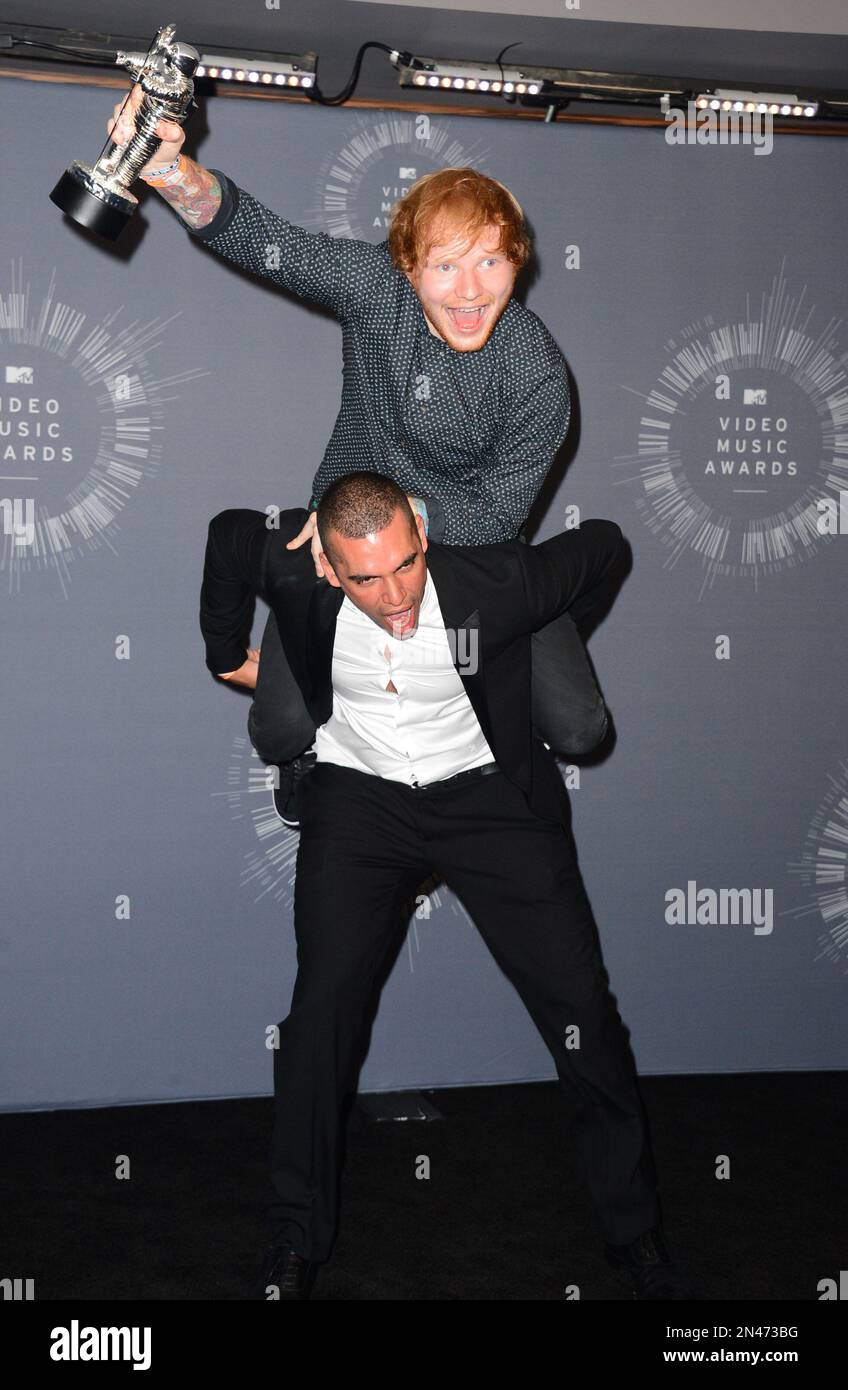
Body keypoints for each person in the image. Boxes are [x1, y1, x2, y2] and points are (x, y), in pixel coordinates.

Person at [199, 470, 694, 1301]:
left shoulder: (498, 586)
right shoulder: (292, 569)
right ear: (326, 562)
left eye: (406, 565)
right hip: (361, 800)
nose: (393, 596)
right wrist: (224, 653)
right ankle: (294, 1238)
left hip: (488, 798)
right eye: (365, 577)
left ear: (422, 537)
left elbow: (606, 544)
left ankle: (633, 1228)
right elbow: (224, 527)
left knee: (583, 1011)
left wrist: (552, 639)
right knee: (318, 1019)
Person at [109, 86, 611, 822]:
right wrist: (167, 168)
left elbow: (503, 513)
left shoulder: (537, 371)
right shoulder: (377, 289)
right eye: (446, 266)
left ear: (517, 262)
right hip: (345, 535)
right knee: (280, 729)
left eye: (493, 263)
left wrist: (422, 514)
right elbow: (266, 242)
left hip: (470, 548)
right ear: (407, 266)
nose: (472, 291)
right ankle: (319, 755)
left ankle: (482, 719)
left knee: (578, 726)